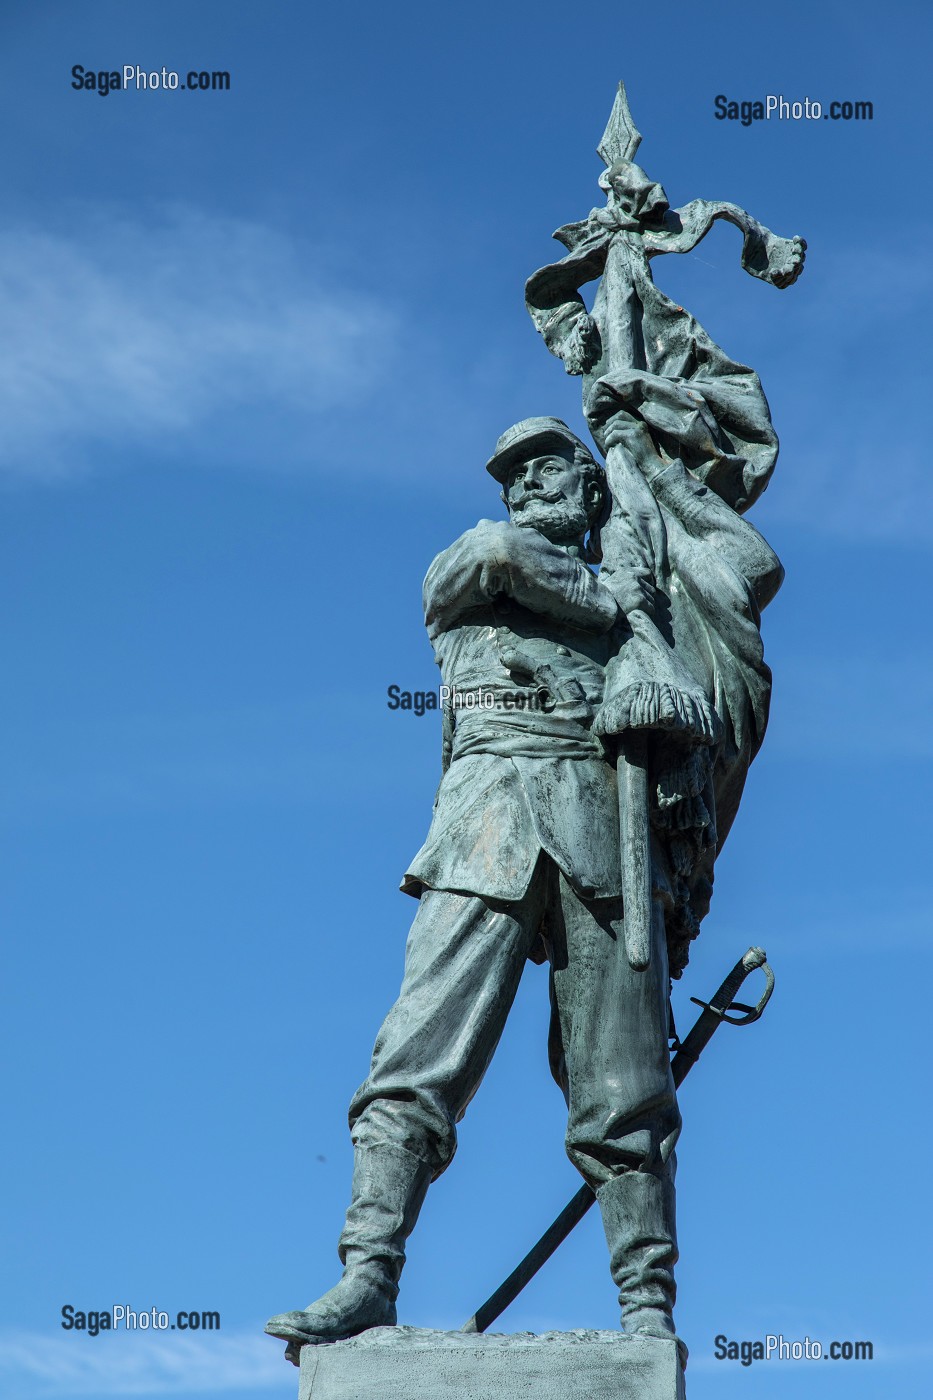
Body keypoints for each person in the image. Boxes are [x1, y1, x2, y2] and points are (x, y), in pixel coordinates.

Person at [266, 416, 696, 1360]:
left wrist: (642, 614)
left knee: (626, 1087)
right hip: (484, 828)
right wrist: (613, 599)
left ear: (592, 493)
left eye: (552, 469)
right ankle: (368, 1272)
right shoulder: (475, 560)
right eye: (516, 474)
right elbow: (495, 556)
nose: (529, 485)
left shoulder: (645, 616)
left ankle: (647, 1305)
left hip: (607, 837)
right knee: (416, 1058)